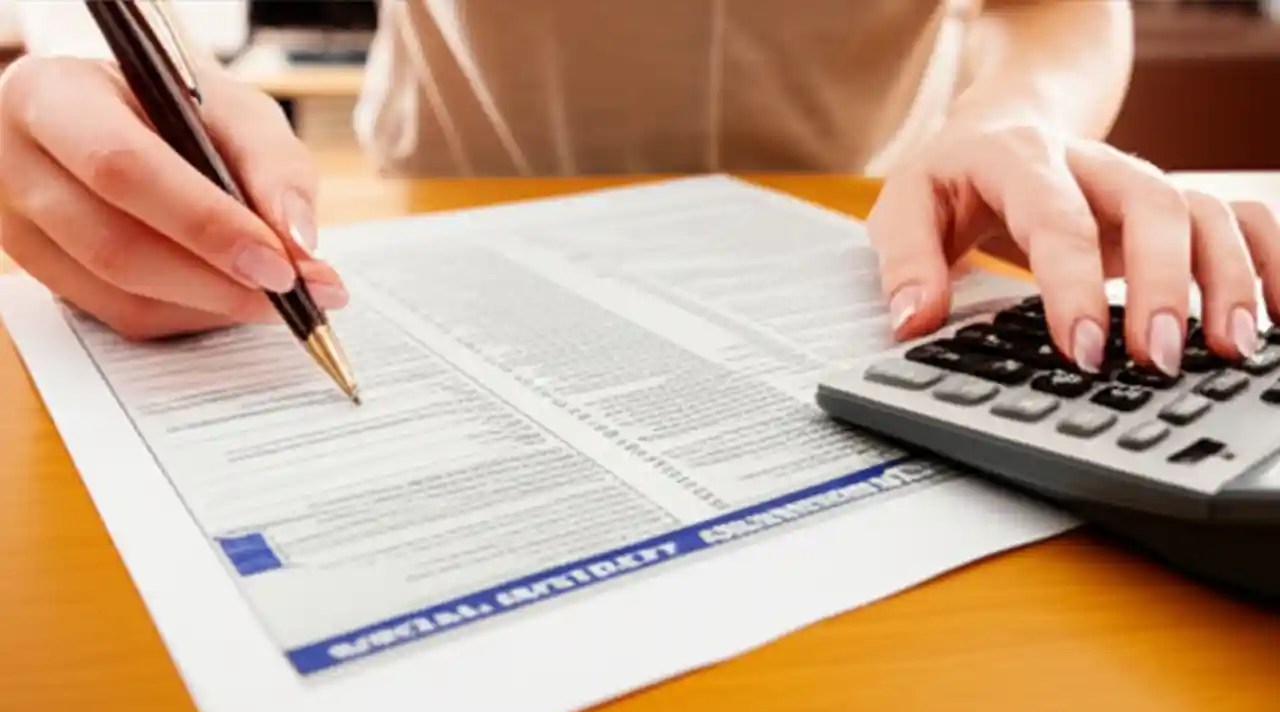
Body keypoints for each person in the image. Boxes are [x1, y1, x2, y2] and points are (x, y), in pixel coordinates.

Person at [1, 0, 1275, 378]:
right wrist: (69, 70)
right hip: (439, 229)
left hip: (858, 239)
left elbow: (1058, 6)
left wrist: (1010, 125)